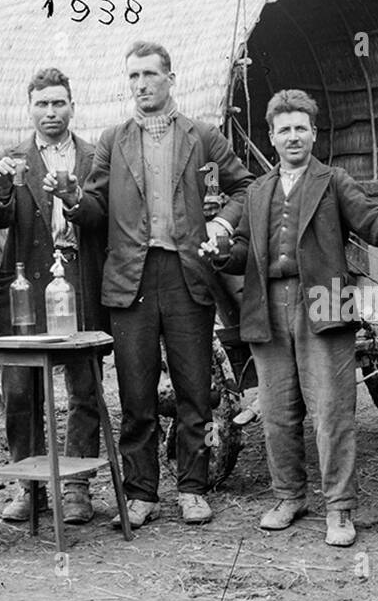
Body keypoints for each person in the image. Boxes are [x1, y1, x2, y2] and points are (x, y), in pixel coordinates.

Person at [207, 89, 378, 547]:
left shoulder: (334, 182)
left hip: (327, 301)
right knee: (276, 412)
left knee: (332, 412)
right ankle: (289, 497)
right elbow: (242, 256)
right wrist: (220, 253)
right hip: (267, 307)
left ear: (313, 134)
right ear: (271, 138)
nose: (292, 136)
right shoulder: (257, 192)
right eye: (284, 129)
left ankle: (339, 509)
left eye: (301, 128)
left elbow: (374, 221)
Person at [58, 41, 253, 528]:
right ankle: (141, 493)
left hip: (188, 275)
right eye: (132, 77)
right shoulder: (113, 140)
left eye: (149, 74)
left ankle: (192, 488)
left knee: (195, 391)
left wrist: (223, 226)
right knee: (136, 394)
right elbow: (96, 210)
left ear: (171, 79)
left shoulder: (203, 136)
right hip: (131, 282)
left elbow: (246, 188)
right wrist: (72, 199)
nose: (140, 84)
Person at [0, 67, 109, 524]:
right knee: (20, 390)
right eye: (42, 104)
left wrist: (75, 200)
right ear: (29, 107)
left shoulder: (95, 156)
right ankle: (29, 486)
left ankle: (76, 487)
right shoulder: (14, 159)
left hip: (80, 279)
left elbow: (103, 216)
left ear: (73, 106)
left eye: (59, 103)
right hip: (26, 286)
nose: (51, 112)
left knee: (84, 387)